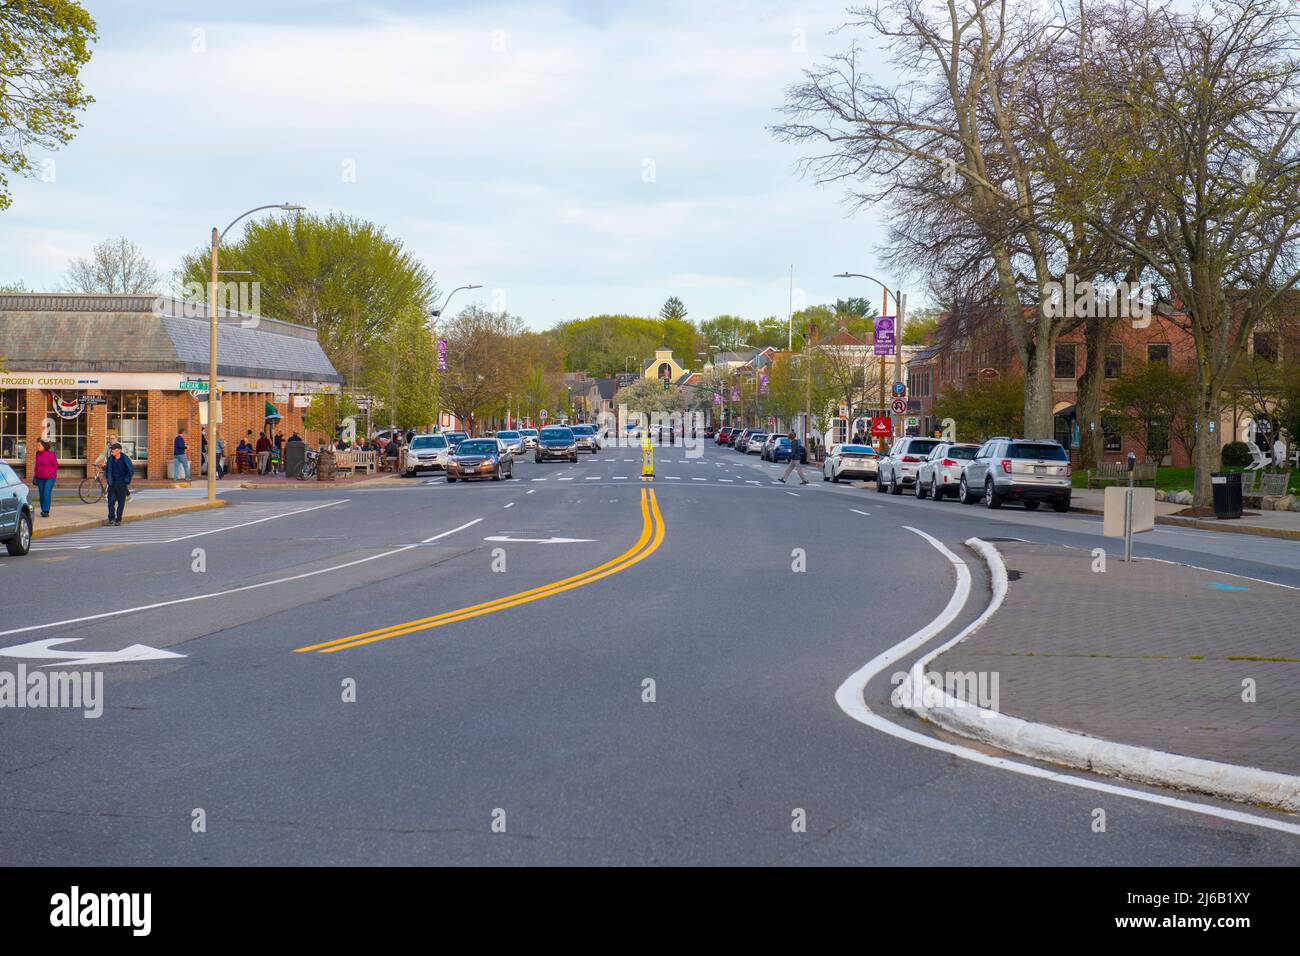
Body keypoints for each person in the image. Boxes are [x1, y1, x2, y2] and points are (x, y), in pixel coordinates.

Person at [103, 442, 133, 526]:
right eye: (111, 449)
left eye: (114, 449)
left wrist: (126, 480)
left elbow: (130, 470)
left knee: (121, 502)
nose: (112, 451)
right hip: (112, 483)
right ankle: (111, 519)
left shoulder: (125, 459)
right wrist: (109, 481)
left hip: (121, 483)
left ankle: (118, 519)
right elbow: (108, 470)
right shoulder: (110, 459)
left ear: (119, 450)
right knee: (111, 501)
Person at [33, 439, 58, 518]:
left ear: (44, 446)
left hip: (50, 477)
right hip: (40, 477)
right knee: (41, 494)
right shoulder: (37, 454)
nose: (38, 447)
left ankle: (46, 511)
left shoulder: (51, 454)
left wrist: (49, 473)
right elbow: (37, 465)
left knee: (46, 492)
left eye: (39, 445)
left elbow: (55, 465)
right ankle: (43, 509)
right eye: (37, 445)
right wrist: (35, 474)